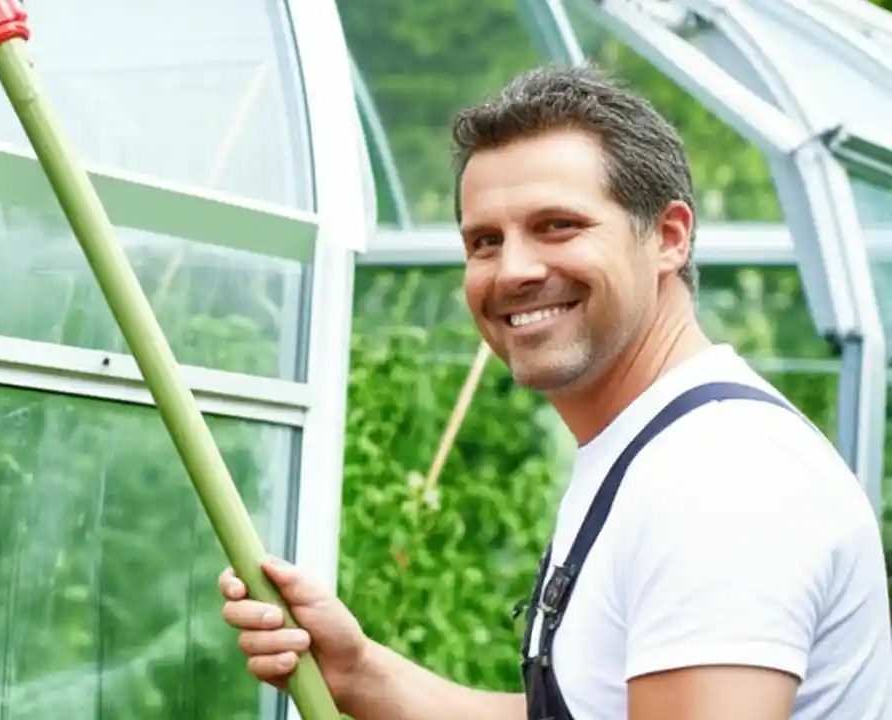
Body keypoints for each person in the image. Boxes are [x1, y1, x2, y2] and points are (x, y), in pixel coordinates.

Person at [217, 65, 892, 719]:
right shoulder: (658, 452)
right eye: (485, 241)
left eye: (557, 226)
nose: (512, 270)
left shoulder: (720, 479)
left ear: (669, 237)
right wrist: (363, 675)